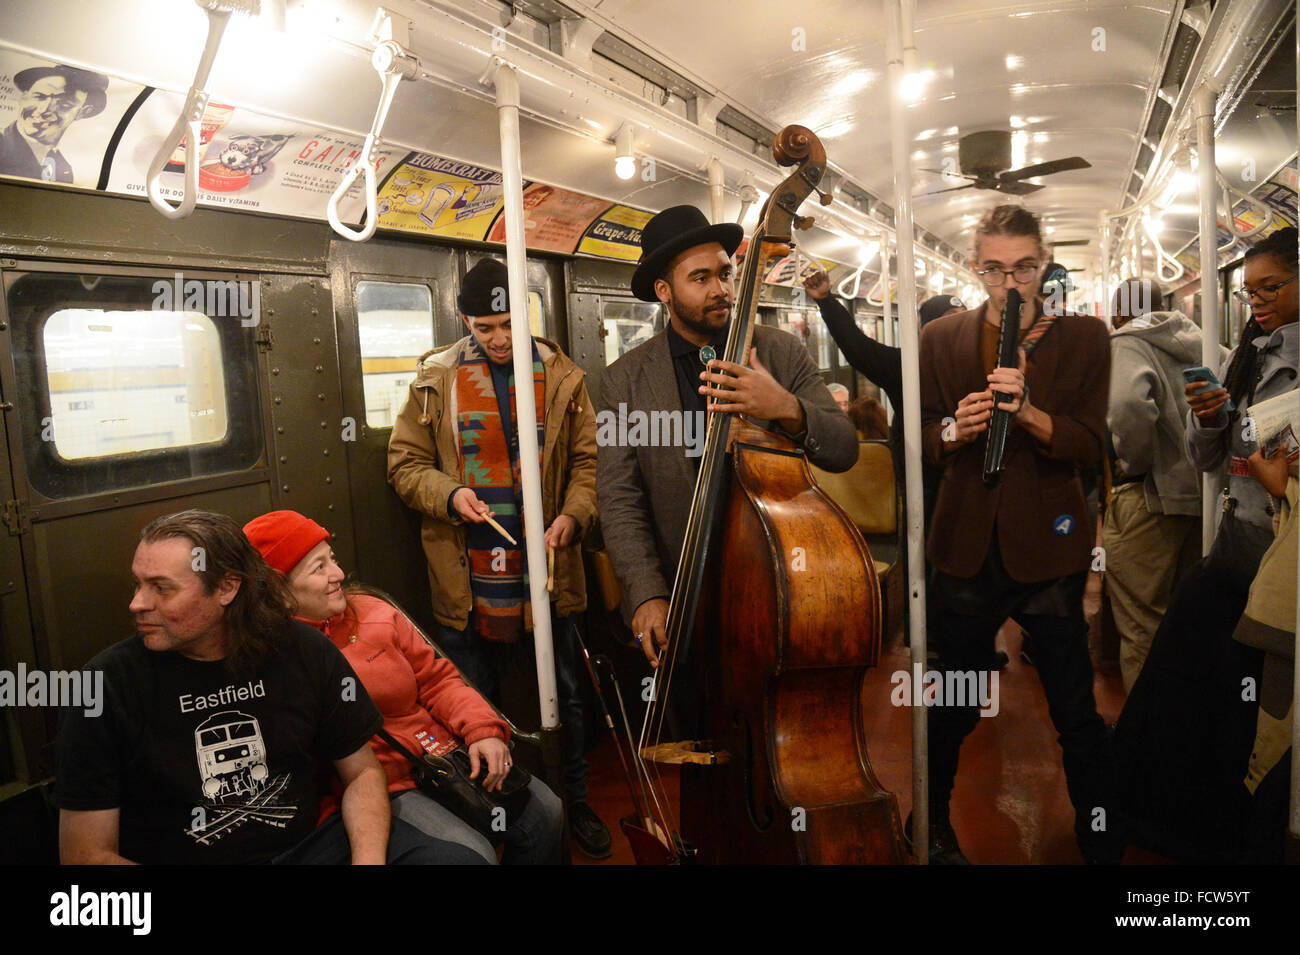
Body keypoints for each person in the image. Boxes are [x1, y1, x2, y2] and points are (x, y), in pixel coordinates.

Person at [53, 509, 483, 864]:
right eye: (138, 583)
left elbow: (362, 773)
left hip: (308, 847)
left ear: (226, 587)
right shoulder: (107, 686)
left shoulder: (301, 650)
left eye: (161, 589)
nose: (137, 604)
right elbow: (86, 854)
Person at [387, 258, 610, 858]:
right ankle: (494, 813)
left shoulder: (564, 376)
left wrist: (573, 515)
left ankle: (575, 800)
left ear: (526, 316)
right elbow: (405, 466)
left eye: (509, 324)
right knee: (470, 700)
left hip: (548, 569)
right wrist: (450, 494)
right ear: (465, 320)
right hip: (465, 576)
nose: (500, 339)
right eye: (485, 328)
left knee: (562, 693)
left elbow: (588, 466)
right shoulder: (435, 381)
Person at [918, 203, 1119, 865]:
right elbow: (917, 439)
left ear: (1044, 263)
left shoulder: (1085, 337)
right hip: (966, 545)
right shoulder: (939, 338)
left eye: (1024, 268)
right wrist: (958, 427)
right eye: (995, 269)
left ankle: (1099, 832)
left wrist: (1031, 414)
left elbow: (1090, 446)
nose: (1010, 284)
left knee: (1072, 704)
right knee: (954, 698)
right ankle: (933, 824)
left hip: (1050, 548)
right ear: (976, 267)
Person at [597, 203, 857, 683]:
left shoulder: (781, 351)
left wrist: (785, 407)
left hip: (780, 581)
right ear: (664, 291)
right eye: (700, 278)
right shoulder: (623, 382)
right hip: (682, 588)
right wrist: (646, 592)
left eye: (725, 273)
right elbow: (619, 498)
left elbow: (844, 450)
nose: (720, 289)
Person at [1114, 226, 1298, 863]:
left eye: (1271, 287)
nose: (1257, 302)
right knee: (1186, 688)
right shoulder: (1245, 355)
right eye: (1249, 291)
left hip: (1282, 559)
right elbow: (1210, 458)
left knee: (1250, 713)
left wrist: (1278, 474)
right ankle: (1178, 826)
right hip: (1236, 544)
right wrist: (1211, 415)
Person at [244, 509, 564, 864]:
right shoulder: (277, 654)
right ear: (279, 589)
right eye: (318, 568)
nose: (338, 574)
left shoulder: (373, 612)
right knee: (473, 855)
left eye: (331, 559)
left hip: (444, 757)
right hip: (384, 782)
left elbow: (437, 680)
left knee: (547, 814)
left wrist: (482, 730)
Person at [1102, 277, 1216, 692]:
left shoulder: (1127, 342)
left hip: (1151, 497)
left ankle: (1145, 741)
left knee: (1141, 622)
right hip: (1203, 495)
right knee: (1184, 621)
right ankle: (1183, 730)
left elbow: (1128, 405)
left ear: (1118, 312)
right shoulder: (1202, 339)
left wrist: (1132, 462)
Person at [0, 65, 108, 183]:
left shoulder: (63, 168)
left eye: (64, 105)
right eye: (39, 97)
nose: (43, 110)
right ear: (23, 97)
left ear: (82, 112)